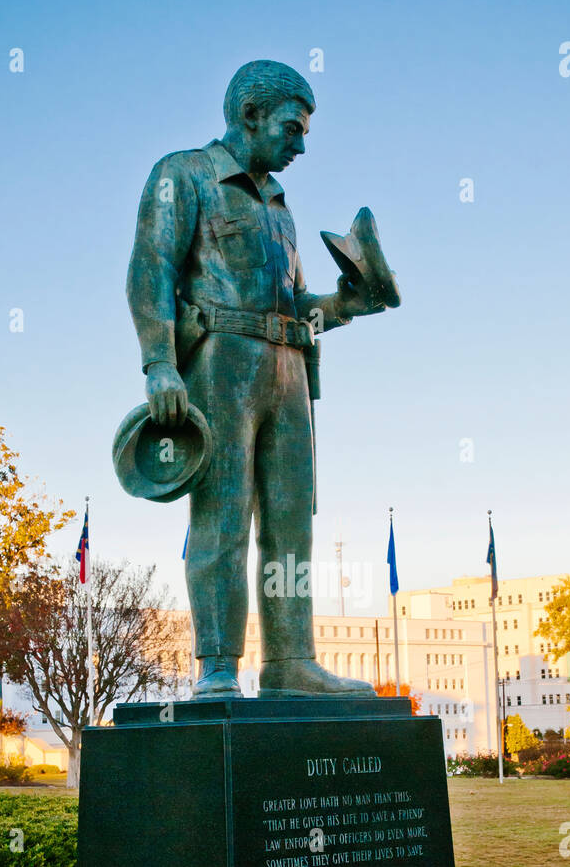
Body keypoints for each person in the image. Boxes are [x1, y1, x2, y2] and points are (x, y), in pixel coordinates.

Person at [127, 60, 385, 698]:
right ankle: (218, 666)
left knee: (291, 522)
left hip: (290, 373)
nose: (301, 145)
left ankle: (291, 662)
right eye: (292, 128)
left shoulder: (282, 211)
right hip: (222, 361)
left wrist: (351, 303)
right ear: (250, 116)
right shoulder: (183, 174)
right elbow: (150, 269)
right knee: (222, 514)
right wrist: (160, 362)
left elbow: (299, 311)